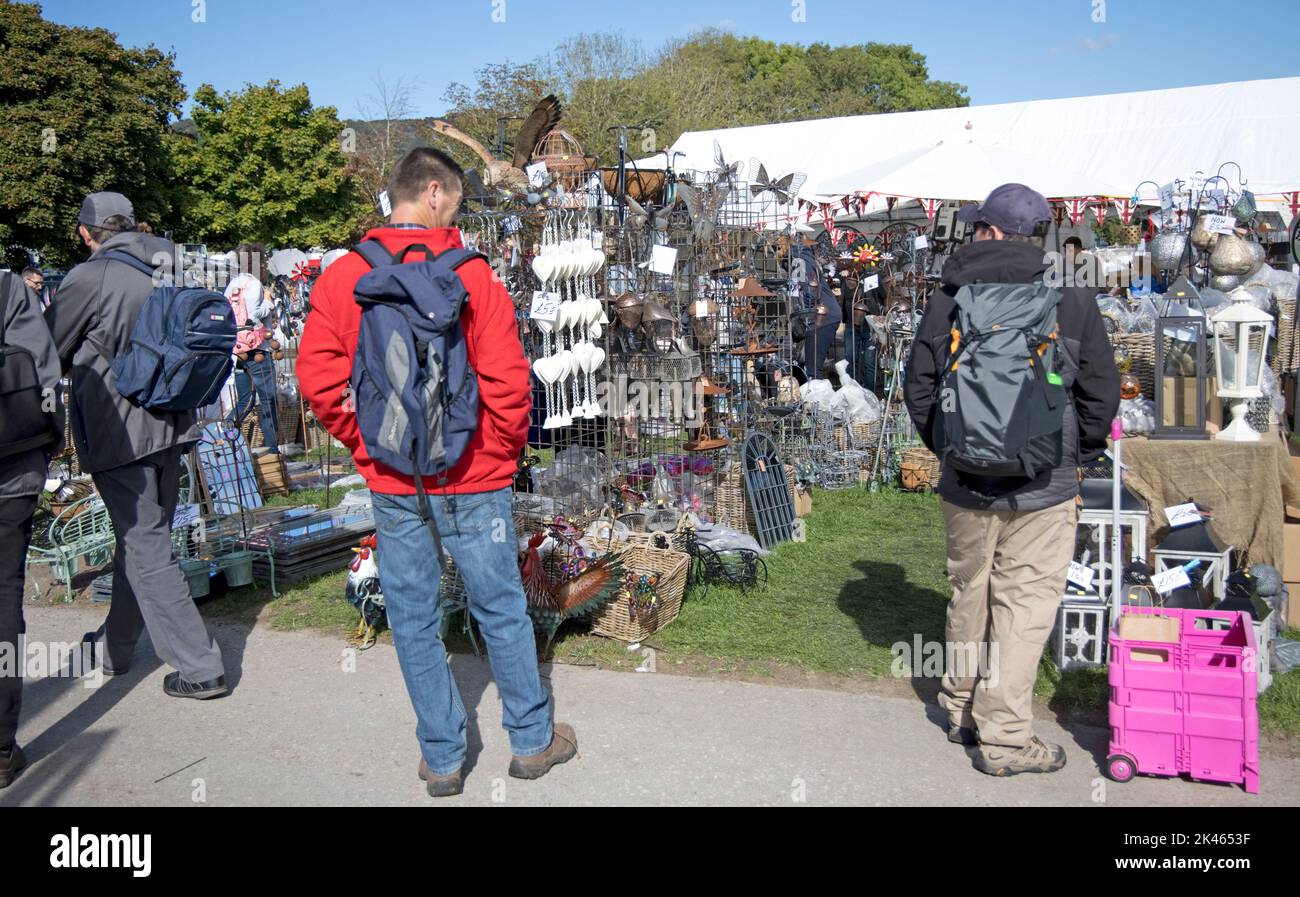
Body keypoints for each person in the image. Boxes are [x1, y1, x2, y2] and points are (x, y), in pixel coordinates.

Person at [297, 148, 576, 798]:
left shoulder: (343, 277)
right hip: (472, 476)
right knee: (500, 604)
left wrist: (369, 447)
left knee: (415, 613)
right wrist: (498, 458)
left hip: (394, 479)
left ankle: (443, 756)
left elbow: (319, 379)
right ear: (430, 192)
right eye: (453, 198)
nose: (458, 210)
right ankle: (532, 742)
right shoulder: (474, 276)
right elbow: (510, 384)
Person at [904, 183, 1119, 777]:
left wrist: (950, 446)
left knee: (970, 590)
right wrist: (1079, 452)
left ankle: (960, 709)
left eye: (980, 226)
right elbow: (1100, 390)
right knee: (1023, 603)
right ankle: (1003, 738)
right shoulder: (1070, 293)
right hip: (1045, 481)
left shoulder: (950, 293)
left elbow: (918, 385)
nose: (974, 233)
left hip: (964, 481)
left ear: (993, 231)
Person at [45, 192, 228, 699]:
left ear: (87, 232)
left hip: (118, 427)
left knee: (145, 544)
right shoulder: (171, 261)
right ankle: (115, 648)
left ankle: (200, 665)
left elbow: (48, 351)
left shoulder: (90, 276)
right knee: (141, 539)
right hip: (174, 419)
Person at [0, 271, 63, 788]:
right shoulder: (6, 288)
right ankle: (0, 748)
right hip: (12, 473)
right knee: (3, 602)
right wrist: (49, 442)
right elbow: (44, 373)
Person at [224, 244, 281, 454]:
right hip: (258, 349)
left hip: (237, 350)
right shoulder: (255, 284)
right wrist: (269, 303)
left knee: (245, 400)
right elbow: (254, 314)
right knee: (268, 400)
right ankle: (272, 450)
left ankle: (225, 432)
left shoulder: (232, 285)